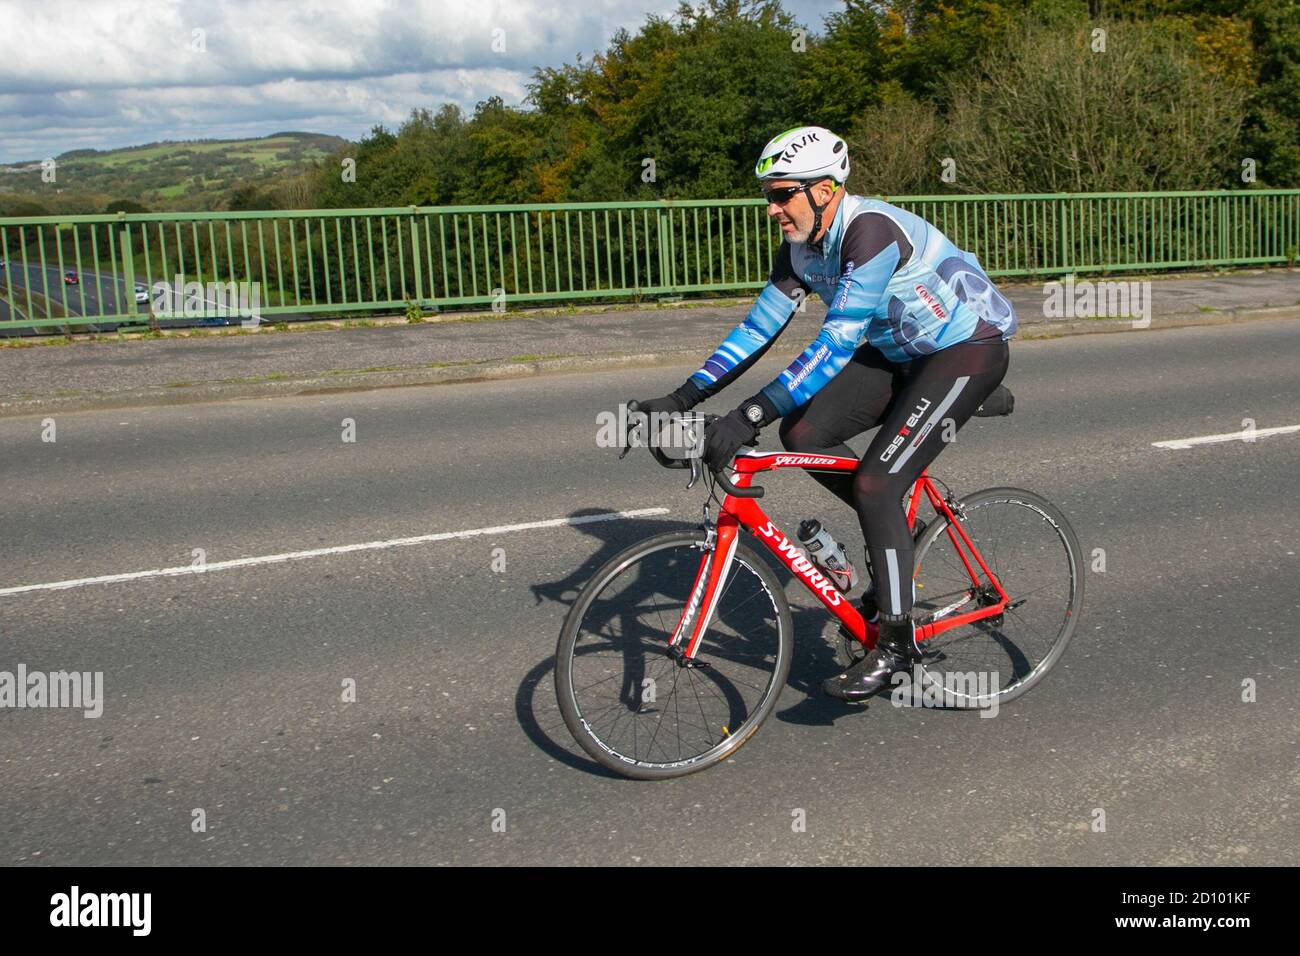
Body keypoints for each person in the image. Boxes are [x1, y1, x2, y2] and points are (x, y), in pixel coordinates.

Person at [631, 125, 1018, 702]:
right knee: (804, 430)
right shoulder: (800, 247)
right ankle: (897, 529)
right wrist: (683, 397)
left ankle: (897, 647)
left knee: (876, 483)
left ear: (825, 190)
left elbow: (835, 344)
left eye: (781, 194)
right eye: (768, 195)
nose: (771, 208)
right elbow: (758, 329)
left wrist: (748, 415)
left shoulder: (870, 231)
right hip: (897, 352)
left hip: (964, 351)